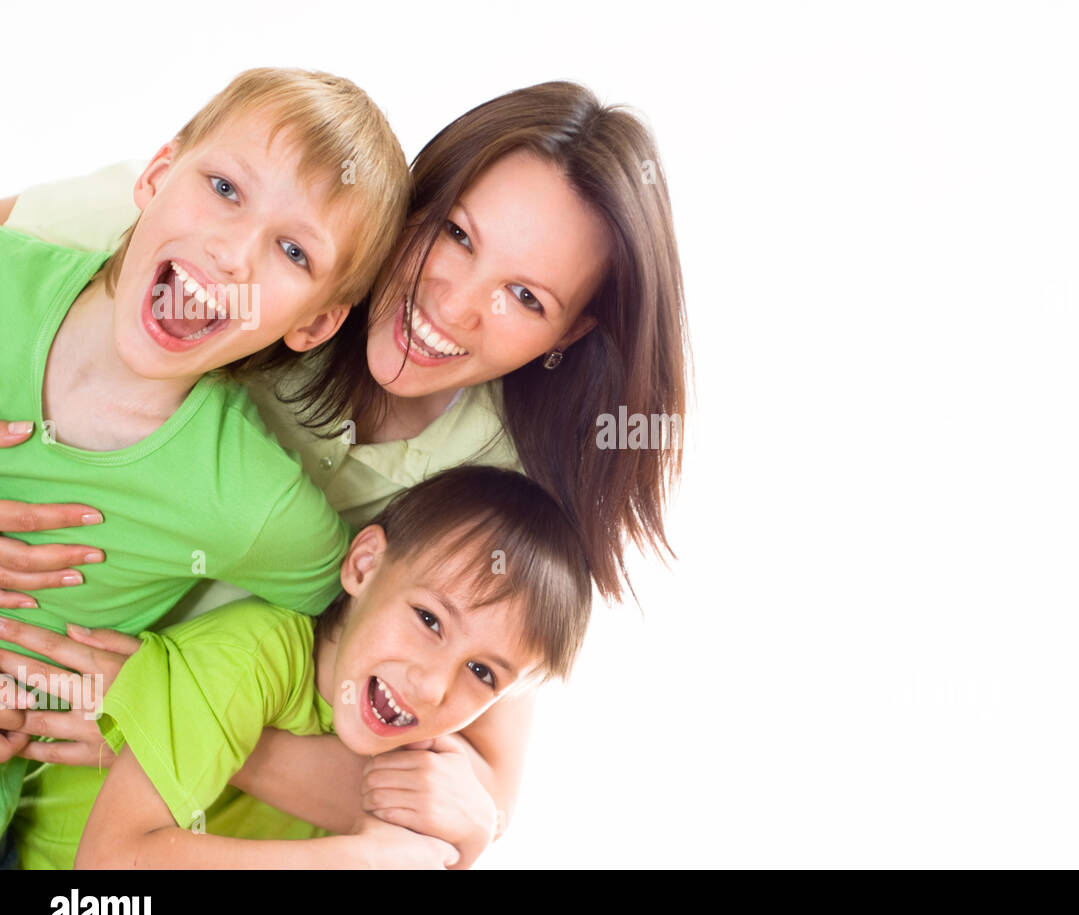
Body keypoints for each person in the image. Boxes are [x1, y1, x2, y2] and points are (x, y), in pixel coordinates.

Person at [0, 80, 689, 864]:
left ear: (573, 330)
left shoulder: (503, 491)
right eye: (458, 234)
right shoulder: (209, 229)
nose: (455, 305)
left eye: (525, 297)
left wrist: (164, 713)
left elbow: (462, 805)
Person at [0, 67, 411, 848]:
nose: (232, 252)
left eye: (292, 249)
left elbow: (337, 629)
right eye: (225, 187)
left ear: (316, 324)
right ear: (156, 175)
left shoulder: (251, 501)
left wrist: (153, 701)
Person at [3, 467, 590, 869]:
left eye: (483, 674)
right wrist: (339, 861)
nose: (433, 686)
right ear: (363, 565)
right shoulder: (251, 657)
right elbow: (105, 869)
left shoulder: (415, 754)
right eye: (430, 620)